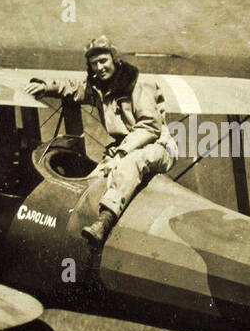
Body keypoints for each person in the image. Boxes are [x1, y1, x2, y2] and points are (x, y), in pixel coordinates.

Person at [24, 35, 177, 245]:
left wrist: (122, 152)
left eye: (103, 60)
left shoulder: (140, 83)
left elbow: (150, 126)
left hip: (157, 147)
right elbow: (75, 88)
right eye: (94, 63)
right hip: (124, 147)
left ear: (114, 59)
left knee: (129, 164)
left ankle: (104, 222)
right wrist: (46, 87)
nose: (99, 67)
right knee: (95, 180)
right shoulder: (99, 87)